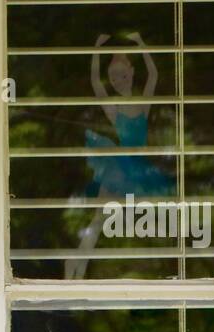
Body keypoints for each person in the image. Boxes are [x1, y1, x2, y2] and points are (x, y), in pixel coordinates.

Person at [66, 31, 176, 279]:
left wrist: (141, 43)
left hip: (138, 167)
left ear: (132, 72)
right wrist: (96, 49)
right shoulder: (114, 109)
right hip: (120, 167)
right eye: (113, 76)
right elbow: (96, 85)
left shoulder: (143, 103)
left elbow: (154, 75)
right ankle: (77, 265)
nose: (118, 79)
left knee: (149, 217)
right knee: (100, 218)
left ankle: (78, 264)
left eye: (122, 73)